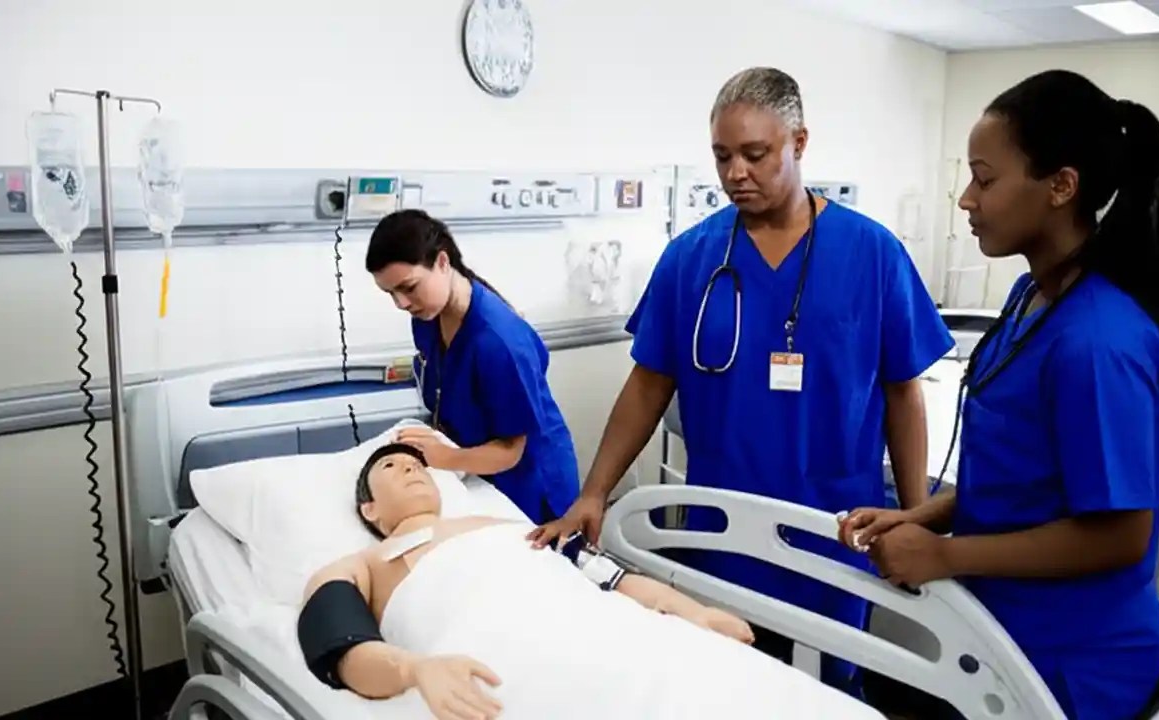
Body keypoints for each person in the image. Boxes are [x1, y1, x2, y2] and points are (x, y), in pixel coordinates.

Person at [527, 66, 954, 691]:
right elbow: (648, 385)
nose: (735, 173)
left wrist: (912, 514)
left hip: (831, 530)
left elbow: (901, 392)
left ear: (799, 143)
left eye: (755, 154)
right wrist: (593, 493)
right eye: (722, 156)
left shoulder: (872, 254)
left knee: (825, 691)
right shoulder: (691, 257)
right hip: (719, 530)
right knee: (723, 685)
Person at [839, 69, 1159, 720]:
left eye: (984, 180)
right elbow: (1024, 483)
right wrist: (922, 517)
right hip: (1003, 632)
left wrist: (944, 555)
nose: (966, 200)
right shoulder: (1031, 297)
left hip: (1072, 661)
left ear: (1061, 186)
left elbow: (1119, 536)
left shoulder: (1098, 342)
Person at [297, 443, 879, 720]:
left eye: (417, 464)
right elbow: (339, 649)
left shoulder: (507, 526)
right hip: (502, 653)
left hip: (597, 625)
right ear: (370, 509)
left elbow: (608, 576)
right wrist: (415, 669)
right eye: (391, 467)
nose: (411, 468)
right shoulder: (359, 565)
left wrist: (691, 612)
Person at [366, 209, 580, 524]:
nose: (401, 303)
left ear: (442, 262)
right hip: (478, 472)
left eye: (409, 287)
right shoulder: (428, 318)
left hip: (532, 487)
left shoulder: (498, 343)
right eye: (390, 293)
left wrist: (445, 456)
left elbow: (511, 451)